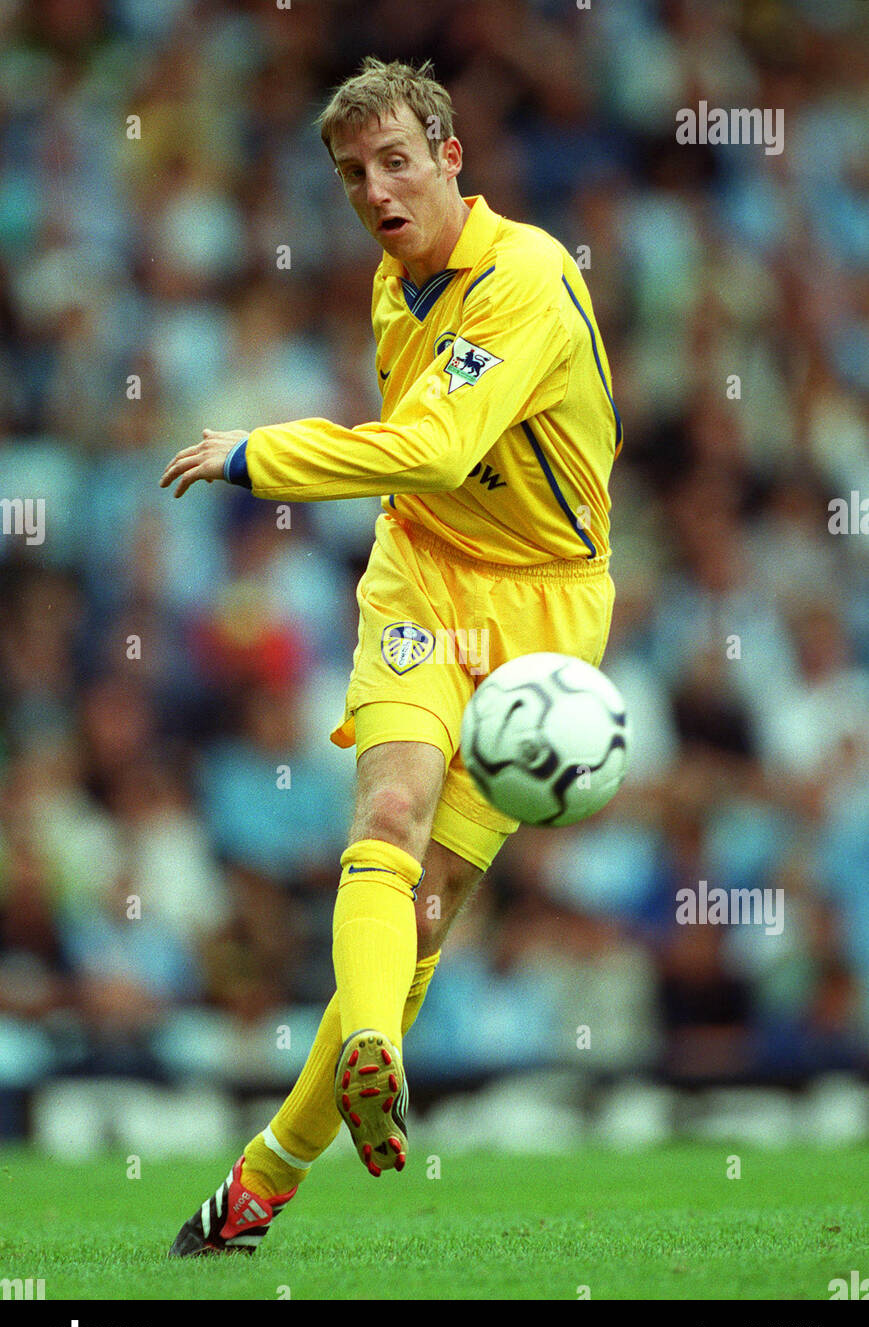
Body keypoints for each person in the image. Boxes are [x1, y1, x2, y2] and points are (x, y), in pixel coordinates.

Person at [161, 56, 621, 1255]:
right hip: (419, 575)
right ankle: (374, 1044)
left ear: (450, 157)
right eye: (352, 173)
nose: (375, 190)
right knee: (388, 815)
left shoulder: (522, 277)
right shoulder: (390, 281)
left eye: (396, 162)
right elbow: (426, 484)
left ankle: (263, 1173)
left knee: (419, 916)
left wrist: (258, 453)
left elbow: (429, 444)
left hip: (541, 613)